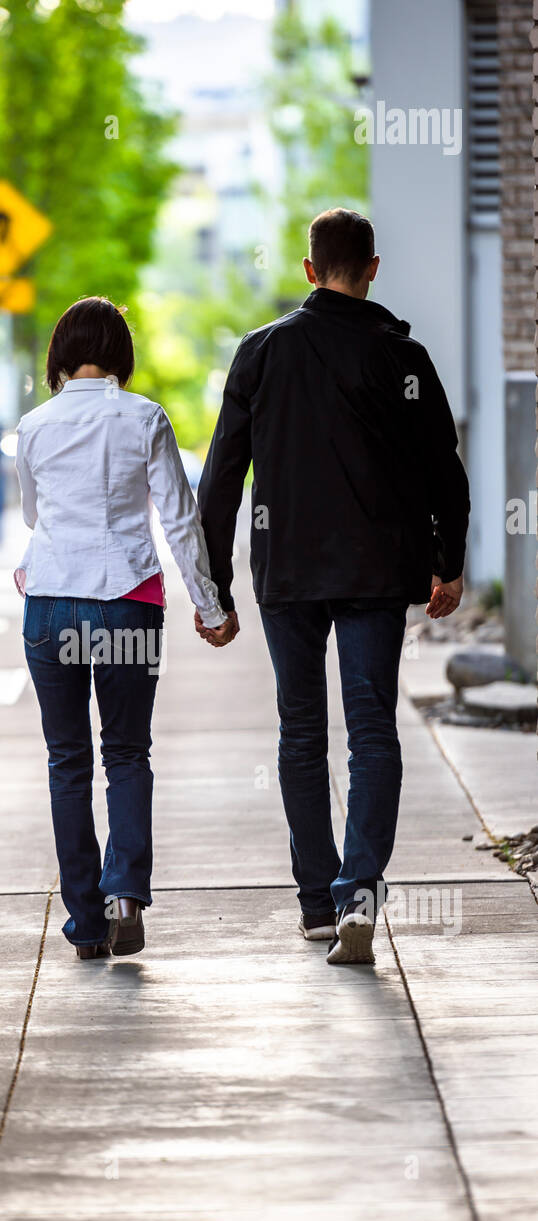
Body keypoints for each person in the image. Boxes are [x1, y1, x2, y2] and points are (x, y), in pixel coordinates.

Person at [197, 208, 470, 966]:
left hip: (286, 569)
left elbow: (222, 478)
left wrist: (213, 588)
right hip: (379, 569)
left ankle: (319, 903)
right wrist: (449, 559)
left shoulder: (260, 353)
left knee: (300, 731)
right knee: (374, 731)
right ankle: (359, 894)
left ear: (310, 270)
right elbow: (443, 468)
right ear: (372, 268)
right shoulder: (402, 357)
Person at [14, 296, 237, 961]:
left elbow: (32, 514)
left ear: (59, 358)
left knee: (66, 760)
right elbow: (178, 519)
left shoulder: (33, 425)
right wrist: (212, 607)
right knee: (127, 752)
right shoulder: (146, 418)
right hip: (127, 600)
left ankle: (85, 925)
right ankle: (124, 899)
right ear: (121, 357)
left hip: (52, 602)